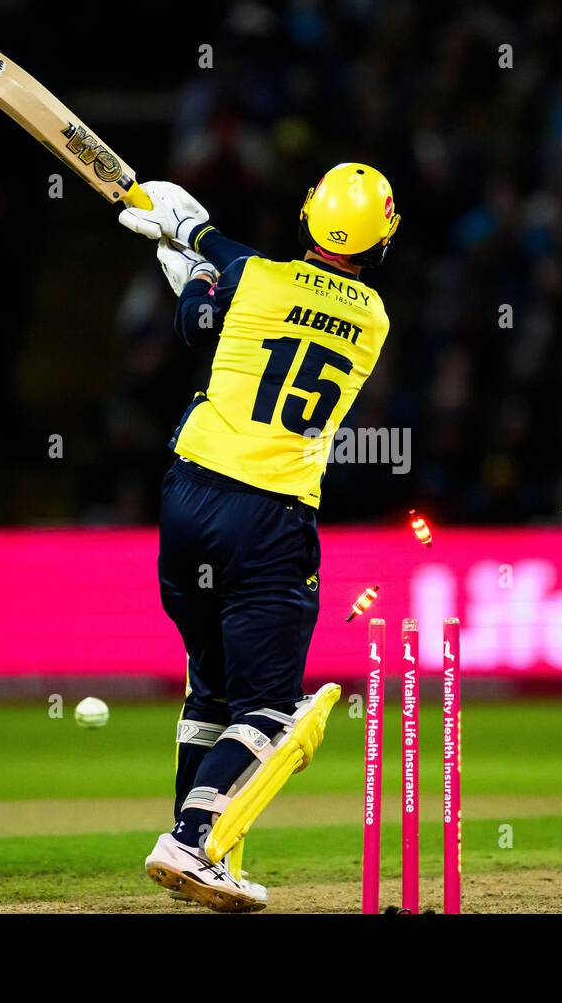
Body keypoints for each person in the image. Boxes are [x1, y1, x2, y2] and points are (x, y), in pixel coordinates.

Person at [118, 164, 399, 911]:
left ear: (308, 214)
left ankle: (192, 839)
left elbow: (200, 323)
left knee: (210, 686)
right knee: (270, 708)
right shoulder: (372, 317)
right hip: (269, 516)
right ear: (383, 239)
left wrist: (190, 268)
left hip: (187, 495)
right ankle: (191, 840)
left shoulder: (253, 279)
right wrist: (200, 257)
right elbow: (228, 273)